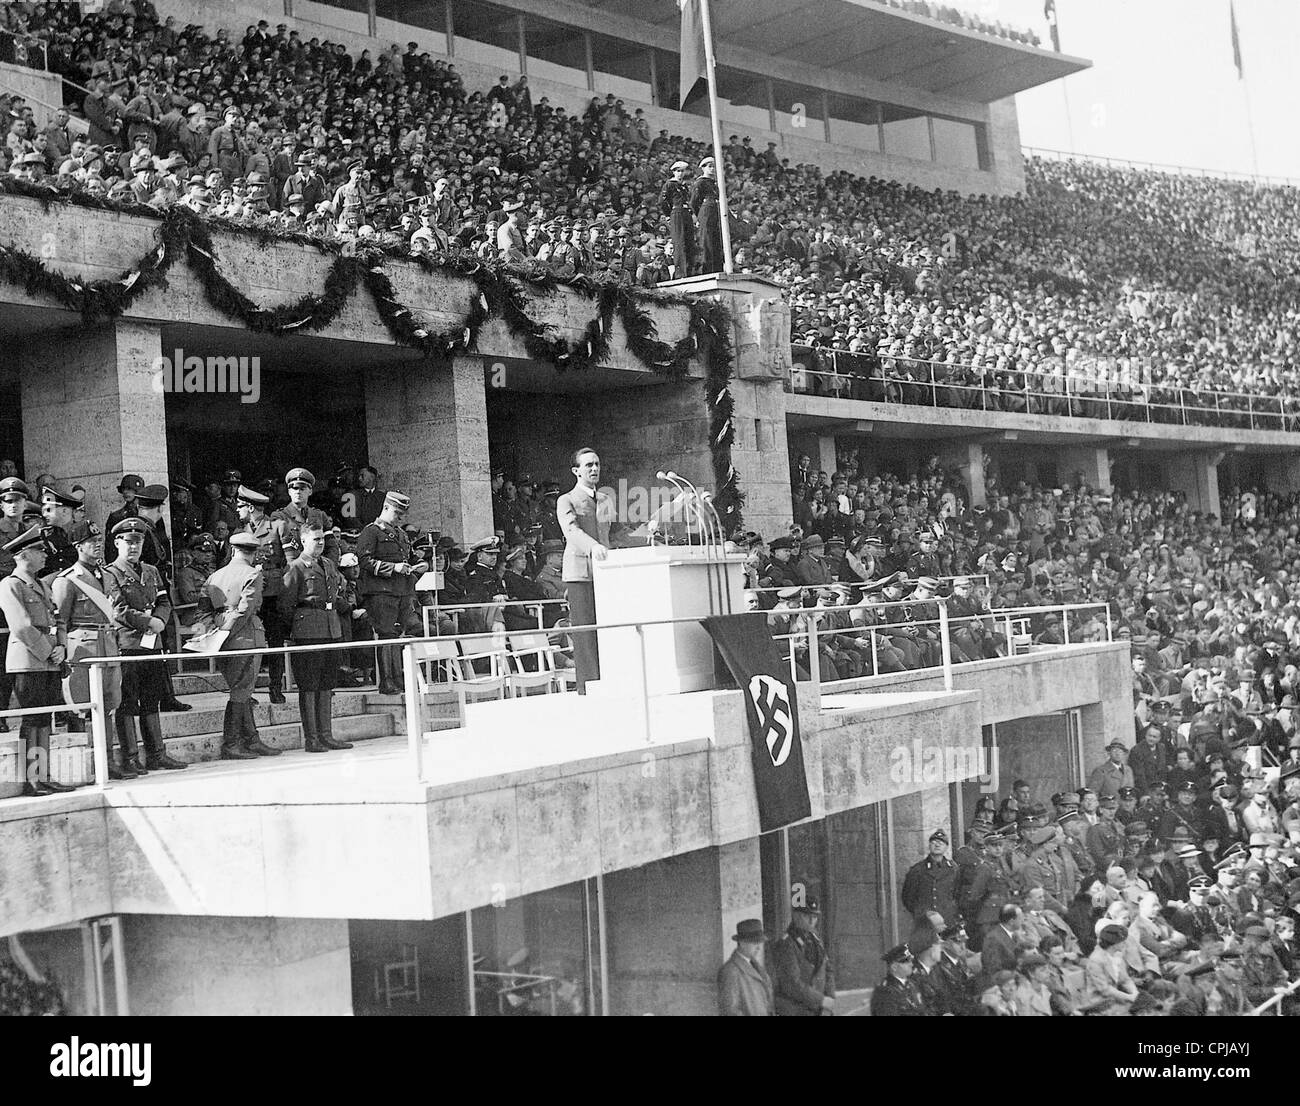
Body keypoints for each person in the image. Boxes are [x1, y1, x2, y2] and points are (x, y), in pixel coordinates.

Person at [101, 519, 187, 773]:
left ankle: (157, 754)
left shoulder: (151, 571)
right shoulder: (110, 573)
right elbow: (118, 608)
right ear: (117, 543)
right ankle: (129, 757)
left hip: (153, 643)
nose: (133, 547)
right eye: (128, 542)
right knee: (128, 700)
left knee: (152, 697)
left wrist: (160, 619)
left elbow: (164, 599)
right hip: (127, 643)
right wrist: (147, 621)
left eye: (138, 542)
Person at [51, 520, 132, 775]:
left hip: (108, 647)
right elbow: (60, 621)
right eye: (90, 542)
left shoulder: (107, 576)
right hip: (83, 652)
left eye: (99, 541)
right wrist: (61, 649)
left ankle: (106, 762)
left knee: (108, 706)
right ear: (78, 547)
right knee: (81, 708)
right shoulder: (67, 580)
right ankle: (83, 766)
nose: (97, 545)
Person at [0, 525, 75, 795]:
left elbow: (58, 620)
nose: (45, 555)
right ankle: (33, 779)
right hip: (28, 660)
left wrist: (62, 648)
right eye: (38, 550)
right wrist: (48, 651)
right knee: (32, 719)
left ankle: (44, 775)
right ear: (22, 555)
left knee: (45, 719)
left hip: (49, 659)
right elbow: (21, 626)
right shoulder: (10, 585)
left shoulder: (43, 584)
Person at [205, 531, 279, 760]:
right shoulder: (253, 574)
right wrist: (227, 631)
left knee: (241, 689)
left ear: (233, 550)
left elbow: (202, 611)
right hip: (246, 637)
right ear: (254, 552)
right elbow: (246, 610)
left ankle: (251, 738)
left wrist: (215, 632)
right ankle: (232, 743)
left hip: (221, 638)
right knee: (241, 691)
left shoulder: (214, 576)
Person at [280, 522, 353, 753]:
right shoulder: (296, 567)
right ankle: (312, 738)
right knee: (309, 685)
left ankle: (326, 735)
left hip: (331, 627)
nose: (320, 543)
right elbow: (285, 605)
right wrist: (295, 630)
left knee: (327, 683)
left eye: (322, 539)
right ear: (303, 541)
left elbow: (336, 593)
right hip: (308, 630)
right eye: (315, 539)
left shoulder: (329, 564)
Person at [356, 491, 426, 695]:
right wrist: (393, 568)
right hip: (381, 593)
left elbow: (411, 557)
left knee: (399, 635)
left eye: (402, 515)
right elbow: (365, 561)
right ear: (386, 508)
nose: (400, 518)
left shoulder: (402, 534)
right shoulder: (371, 532)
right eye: (397, 514)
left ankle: (399, 677)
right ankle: (386, 681)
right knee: (386, 635)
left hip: (402, 592)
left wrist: (420, 564)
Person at [557, 447, 614, 694]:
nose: (594, 469)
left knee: (607, 627)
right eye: (588, 465)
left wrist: (650, 530)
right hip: (580, 572)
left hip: (605, 571)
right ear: (576, 471)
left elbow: (614, 533)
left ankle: (608, 679)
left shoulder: (604, 499)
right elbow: (571, 530)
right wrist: (594, 547)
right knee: (585, 632)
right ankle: (588, 686)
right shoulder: (566, 500)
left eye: (597, 464)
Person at [770, 897, 836, 1016]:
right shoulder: (786, 944)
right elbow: (792, 984)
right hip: (796, 1011)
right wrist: (821, 1000)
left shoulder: (815, 939)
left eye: (815, 917)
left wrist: (829, 1001)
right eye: (807, 916)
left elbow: (828, 970)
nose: (811, 921)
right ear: (796, 916)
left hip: (820, 1010)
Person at [900, 828, 958, 927]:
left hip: (947, 921)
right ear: (929, 845)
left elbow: (958, 894)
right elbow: (908, 897)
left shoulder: (954, 869)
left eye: (941, 842)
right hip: (925, 922)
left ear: (946, 847)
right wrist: (921, 913)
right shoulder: (918, 870)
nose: (937, 844)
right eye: (934, 841)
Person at [717, 918, 774, 1016]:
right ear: (742, 943)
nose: (759, 947)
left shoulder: (755, 966)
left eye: (760, 942)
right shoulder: (730, 971)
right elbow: (729, 1011)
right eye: (754, 943)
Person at [658, 160, 694, 279]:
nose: (680, 173)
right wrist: (669, 214)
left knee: (689, 241)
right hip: (676, 212)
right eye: (678, 171)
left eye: (682, 171)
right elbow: (662, 201)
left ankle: (689, 270)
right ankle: (680, 273)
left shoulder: (683, 186)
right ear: (673, 172)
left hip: (685, 213)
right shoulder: (669, 184)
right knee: (679, 242)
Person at [869, 943, 927, 1016]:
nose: (911, 964)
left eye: (911, 961)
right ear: (894, 967)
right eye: (907, 962)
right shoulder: (885, 991)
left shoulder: (912, 985)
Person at [690, 156, 723, 275]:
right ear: (703, 168)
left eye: (714, 166)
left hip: (715, 212)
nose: (712, 169)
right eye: (710, 166)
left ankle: (717, 268)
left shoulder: (714, 183)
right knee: (707, 241)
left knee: (716, 241)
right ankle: (707, 270)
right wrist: (698, 216)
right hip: (706, 213)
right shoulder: (700, 182)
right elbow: (694, 202)